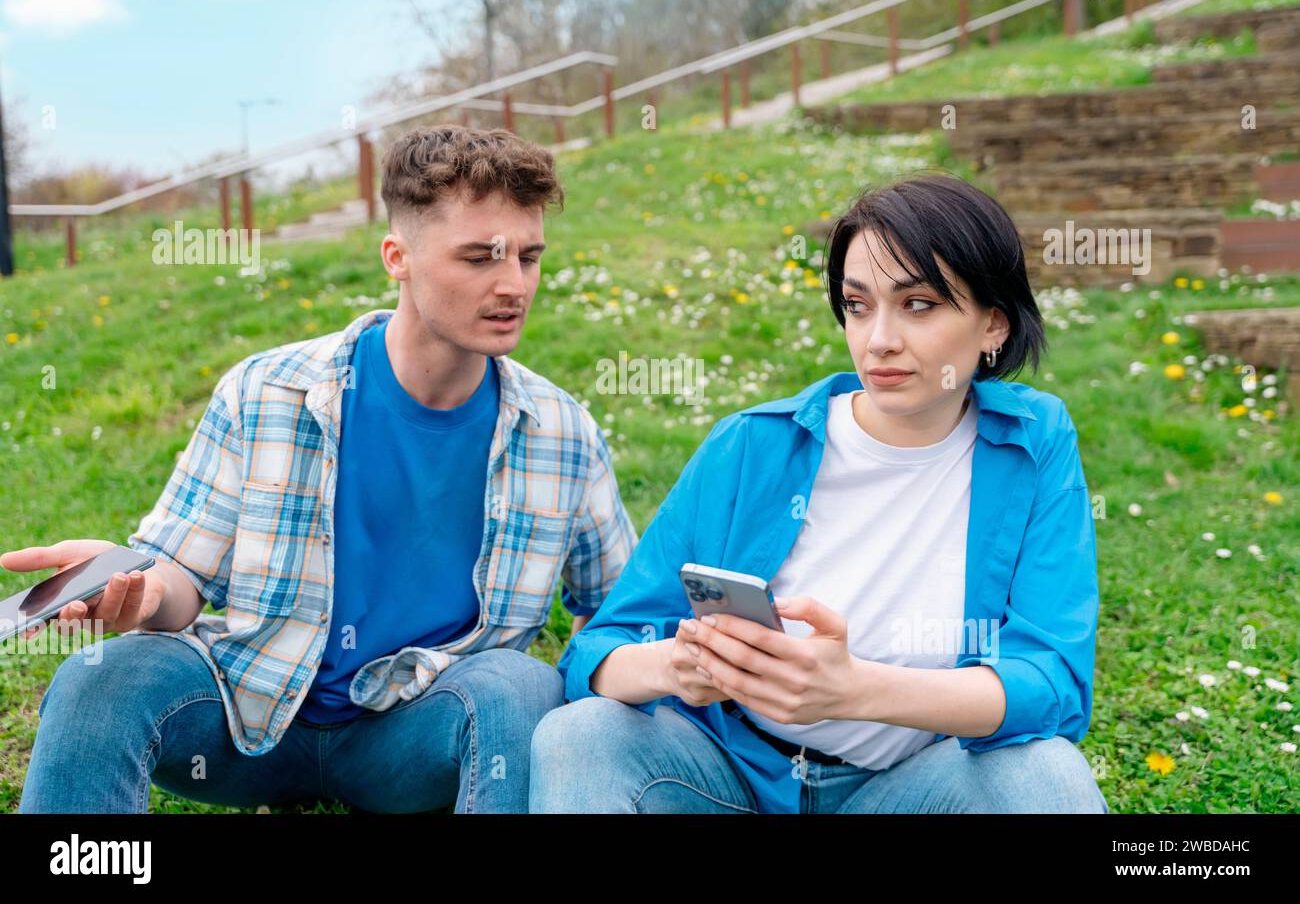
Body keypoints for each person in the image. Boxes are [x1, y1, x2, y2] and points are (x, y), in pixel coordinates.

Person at [12, 125, 636, 814]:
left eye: (528, 256)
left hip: (414, 738)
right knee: (101, 677)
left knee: (519, 685)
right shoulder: (266, 391)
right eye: (480, 257)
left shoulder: (562, 432)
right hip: (246, 721)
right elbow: (181, 576)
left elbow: (615, 612)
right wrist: (133, 585)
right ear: (397, 257)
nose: (513, 284)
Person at [530, 174, 1109, 814]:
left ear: (993, 324)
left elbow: (1054, 684)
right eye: (858, 306)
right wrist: (678, 665)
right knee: (581, 733)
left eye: (918, 304)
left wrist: (854, 690)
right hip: (732, 779)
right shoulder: (753, 444)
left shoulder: (1033, 443)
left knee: (1044, 774)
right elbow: (598, 650)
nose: (878, 339)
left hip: (908, 790)